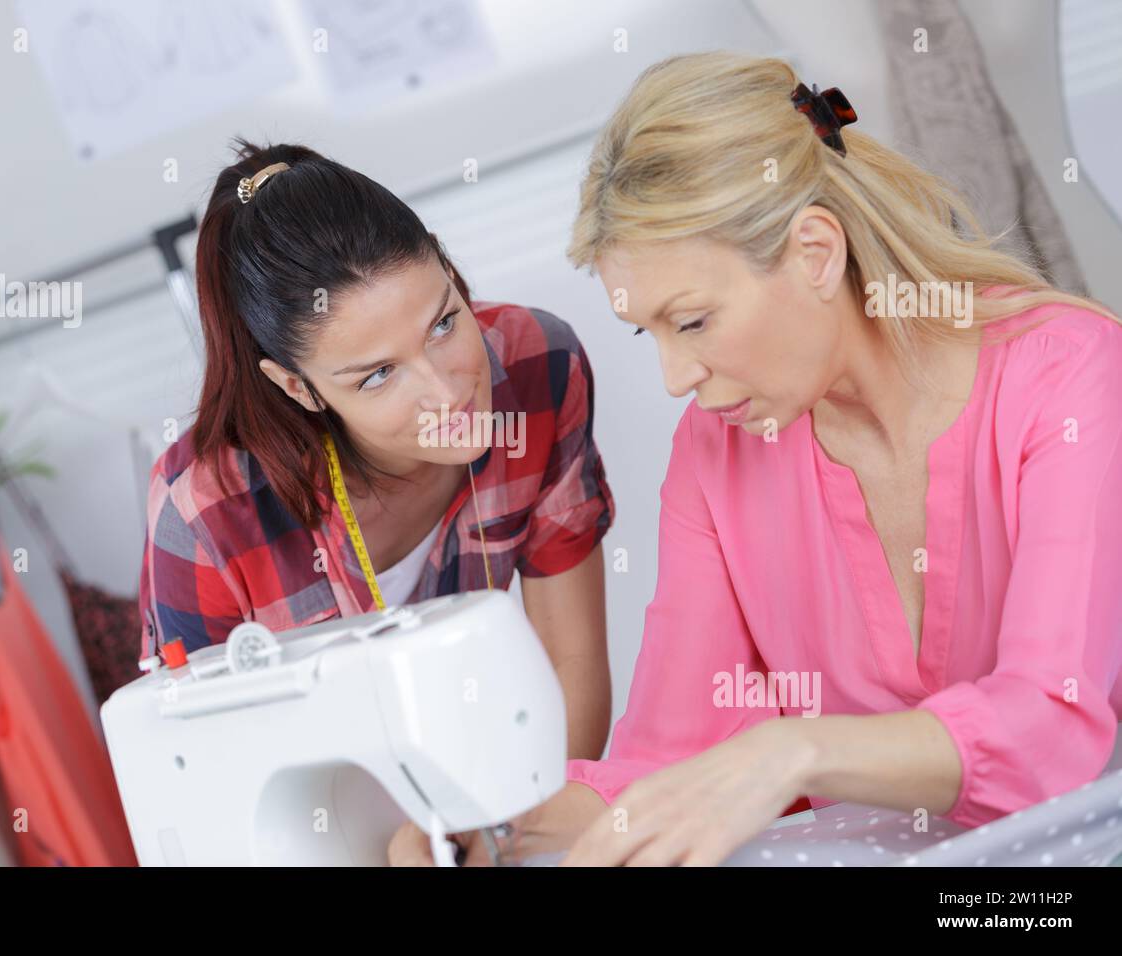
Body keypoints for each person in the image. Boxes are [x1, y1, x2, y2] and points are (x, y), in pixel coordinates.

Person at [395, 51, 1122, 866]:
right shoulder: (717, 448)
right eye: (649, 333)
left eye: (692, 322)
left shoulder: (1070, 373)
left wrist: (795, 751)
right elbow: (669, 759)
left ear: (815, 253)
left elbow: (1049, 727)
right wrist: (498, 827)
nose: (676, 378)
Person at [137, 141, 616, 778]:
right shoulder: (205, 513)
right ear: (297, 387)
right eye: (378, 375)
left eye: (443, 324)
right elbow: (214, 772)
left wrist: (537, 823)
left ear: (445, 264)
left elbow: (569, 663)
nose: (447, 394)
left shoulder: (538, 366)